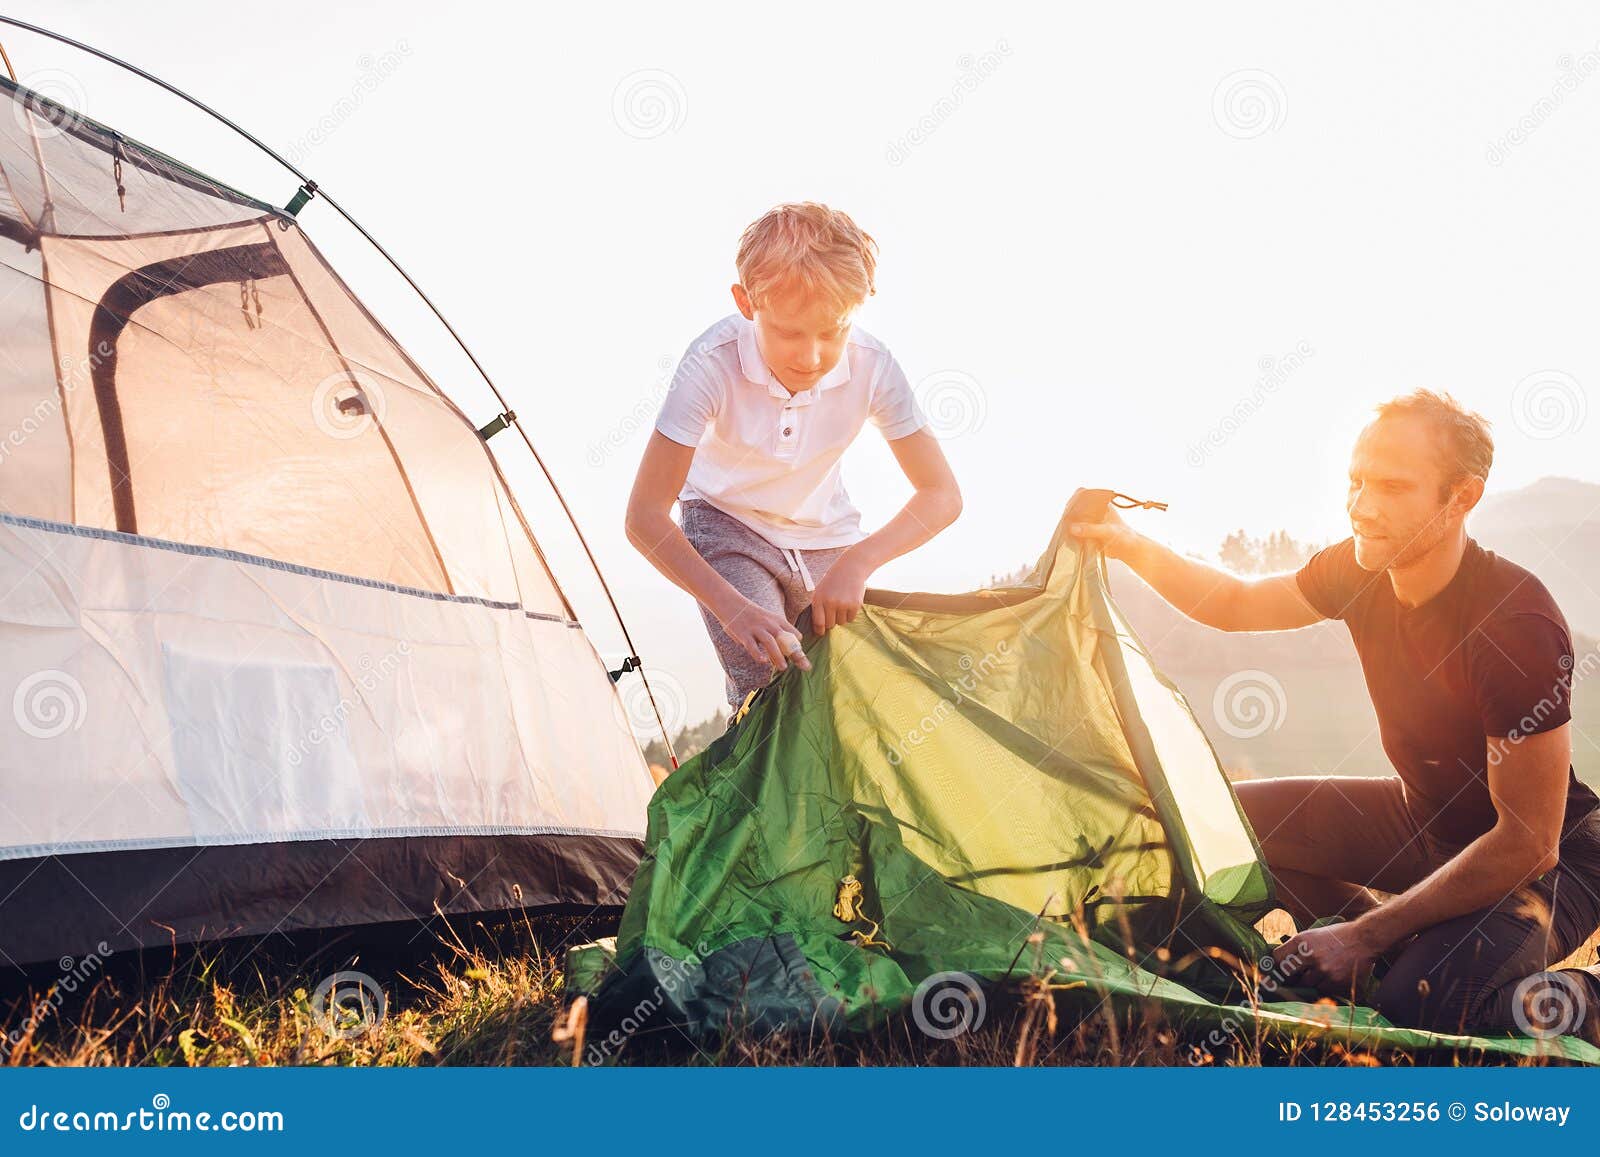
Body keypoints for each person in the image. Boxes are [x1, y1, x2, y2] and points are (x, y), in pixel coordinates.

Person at [1070, 389, 1600, 1041]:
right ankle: (1379, 955)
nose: (1363, 506)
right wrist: (1125, 543)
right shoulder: (1361, 567)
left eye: (1393, 486)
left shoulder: (1515, 622)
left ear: (1463, 496)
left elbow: (1528, 841)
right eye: (1355, 481)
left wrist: (1365, 930)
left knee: (1424, 1006)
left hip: (1553, 861)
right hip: (1423, 820)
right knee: (1221, 829)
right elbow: (1235, 603)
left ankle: (1578, 992)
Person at [626, 202, 962, 715]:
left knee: (838, 700)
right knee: (769, 688)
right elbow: (644, 517)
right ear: (745, 302)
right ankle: (751, 794)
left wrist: (859, 560)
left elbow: (941, 495)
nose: (810, 358)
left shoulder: (874, 367)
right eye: (788, 333)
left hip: (828, 542)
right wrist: (732, 609)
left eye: (833, 333)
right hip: (728, 527)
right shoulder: (708, 364)